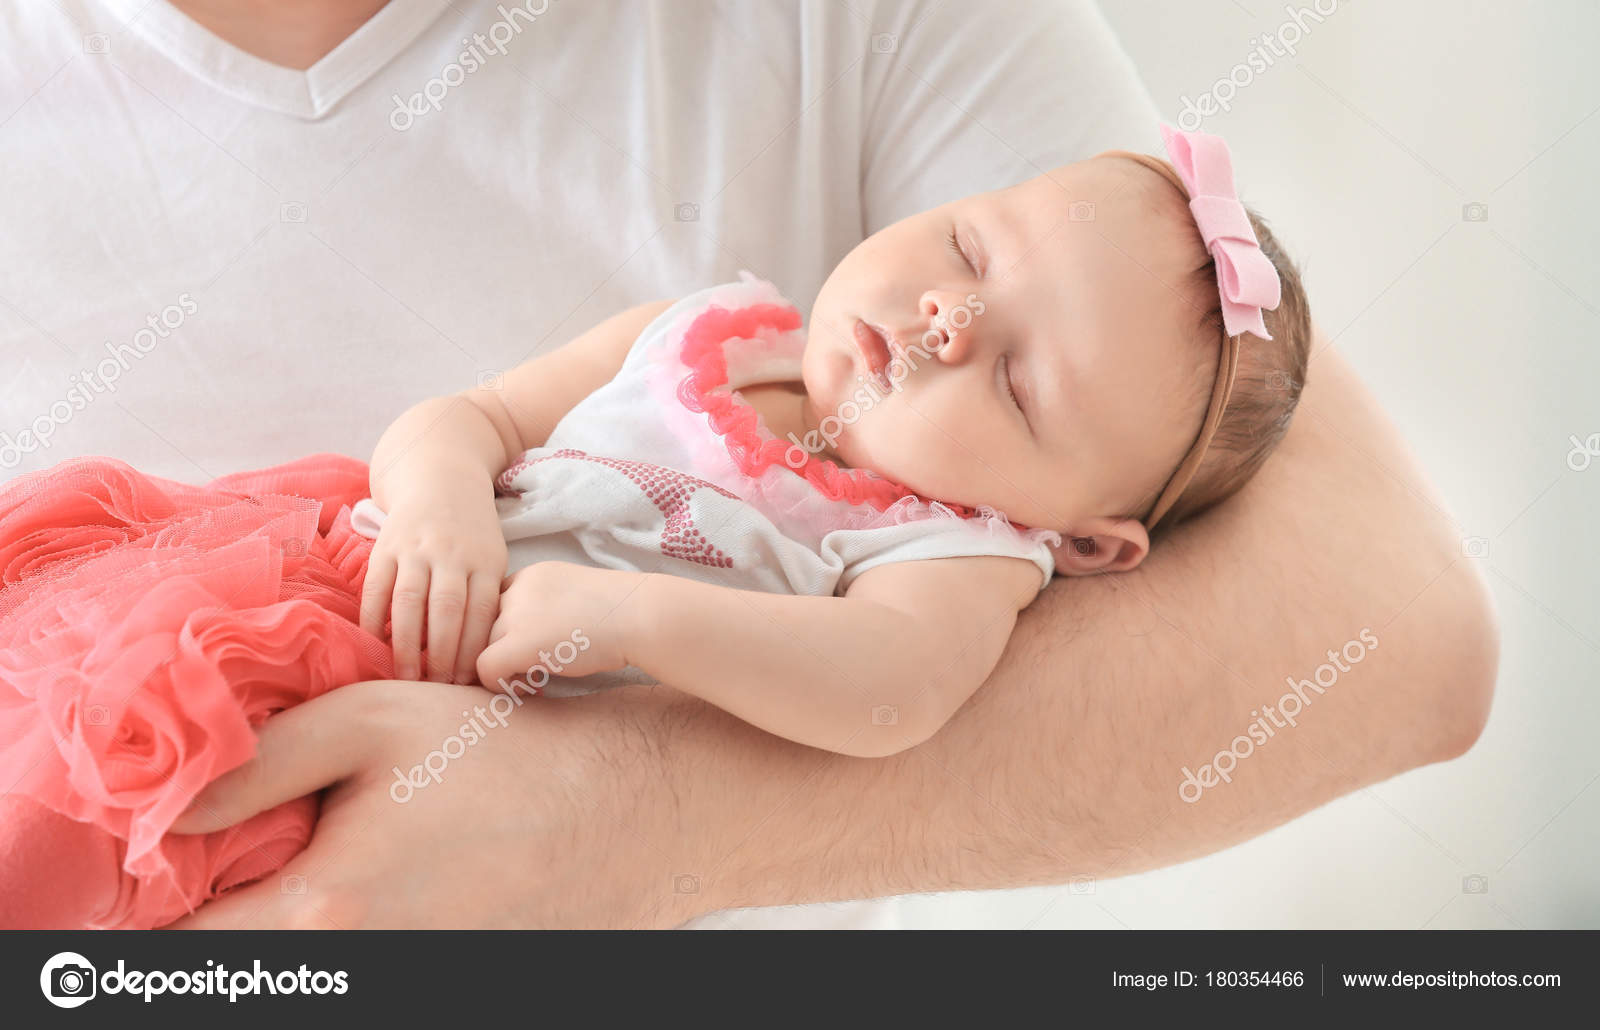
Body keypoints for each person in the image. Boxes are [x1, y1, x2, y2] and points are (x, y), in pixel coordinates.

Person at [0, 0, 1494, 929]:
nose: (946, 316)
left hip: (383, 676)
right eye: (968, 245)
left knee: (124, 816)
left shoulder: (950, 550)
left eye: (1024, 383)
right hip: (319, 564)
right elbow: (466, 417)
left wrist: (625, 709)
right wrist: (443, 495)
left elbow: (892, 692)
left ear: (1091, 535)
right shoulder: (714, 328)